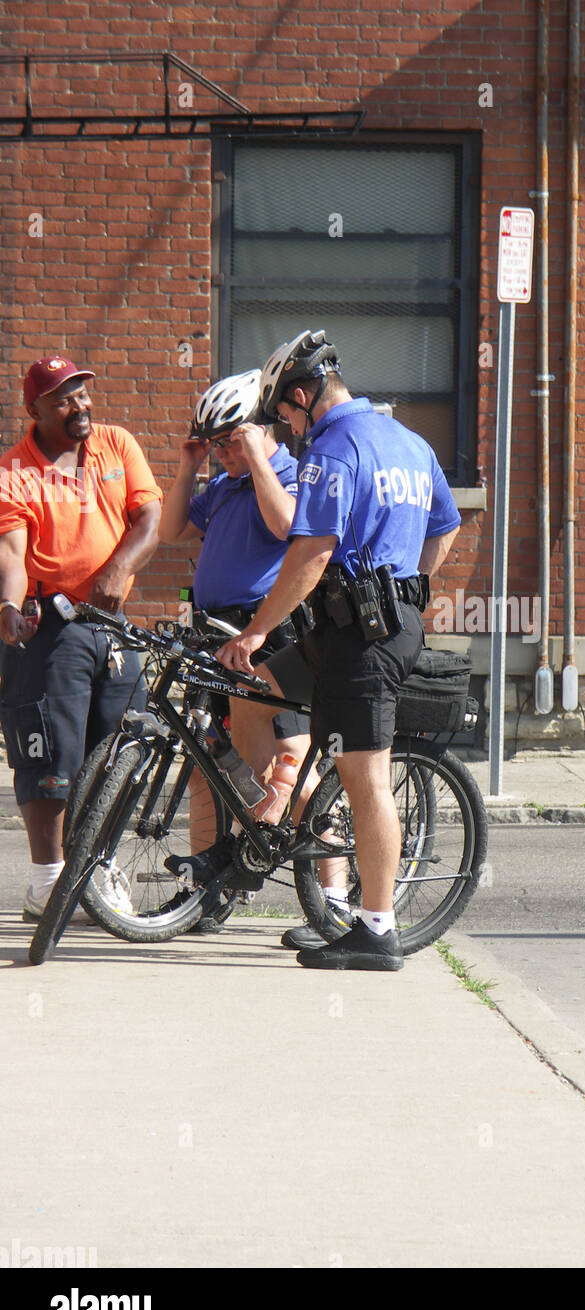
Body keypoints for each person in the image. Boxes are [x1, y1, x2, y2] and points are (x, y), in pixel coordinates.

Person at [214, 329, 461, 971]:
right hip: (354, 628)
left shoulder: (335, 447)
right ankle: (274, 814)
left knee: (364, 775)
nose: (287, 429)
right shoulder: (409, 442)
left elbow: (311, 551)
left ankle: (376, 930)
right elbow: (447, 525)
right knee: (251, 699)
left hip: (364, 640)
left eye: (285, 415)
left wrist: (256, 631)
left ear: (302, 395)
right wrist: (409, 588)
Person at [157, 369, 343, 915]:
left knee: (292, 768)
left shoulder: (287, 473)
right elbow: (170, 532)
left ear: (261, 430)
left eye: (227, 442)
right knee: (207, 763)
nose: (221, 455)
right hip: (214, 636)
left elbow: (288, 526)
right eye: (214, 445)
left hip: (266, 634)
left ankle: (331, 896)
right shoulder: (219, 487)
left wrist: (257, 453)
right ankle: (209, 892)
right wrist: (191, 464)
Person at [0, 356, 162, 921]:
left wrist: (118, 571)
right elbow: (13, 555)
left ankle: (99, 871)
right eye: (65, 398)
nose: (81, 406)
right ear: (36, 409)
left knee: (120, 751)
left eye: (84, 394)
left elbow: (149, 520)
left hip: (113, 626)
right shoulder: (14, 470)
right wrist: (7, 604)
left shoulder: (117, 445)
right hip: (51, 623)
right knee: (50, 754)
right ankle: (47, 882)